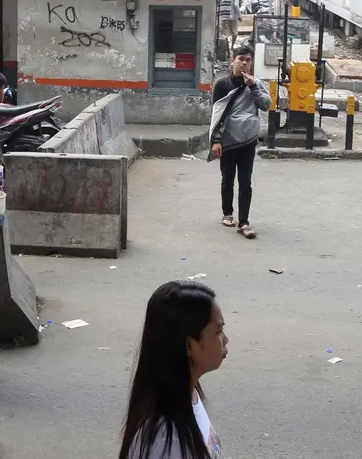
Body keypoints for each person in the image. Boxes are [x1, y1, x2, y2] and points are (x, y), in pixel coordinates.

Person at [118, 280, 227, 459]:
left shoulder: (188, 395)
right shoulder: (168, 442)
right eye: (218, 331)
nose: (225, 339)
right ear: (189, 345)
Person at [207, 45, 269, 240]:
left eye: (248, 60)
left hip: (248, 140)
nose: (244, 63)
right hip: (228, 140)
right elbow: (217, 114)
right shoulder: (222, 84)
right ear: (233, 60)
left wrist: (253, 87)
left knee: (245, 181)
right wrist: (216, 140)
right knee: (227, 179)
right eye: (241, 59)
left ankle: (244, 222)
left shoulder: (256, 83)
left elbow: (266, 105)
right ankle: (227, 213)